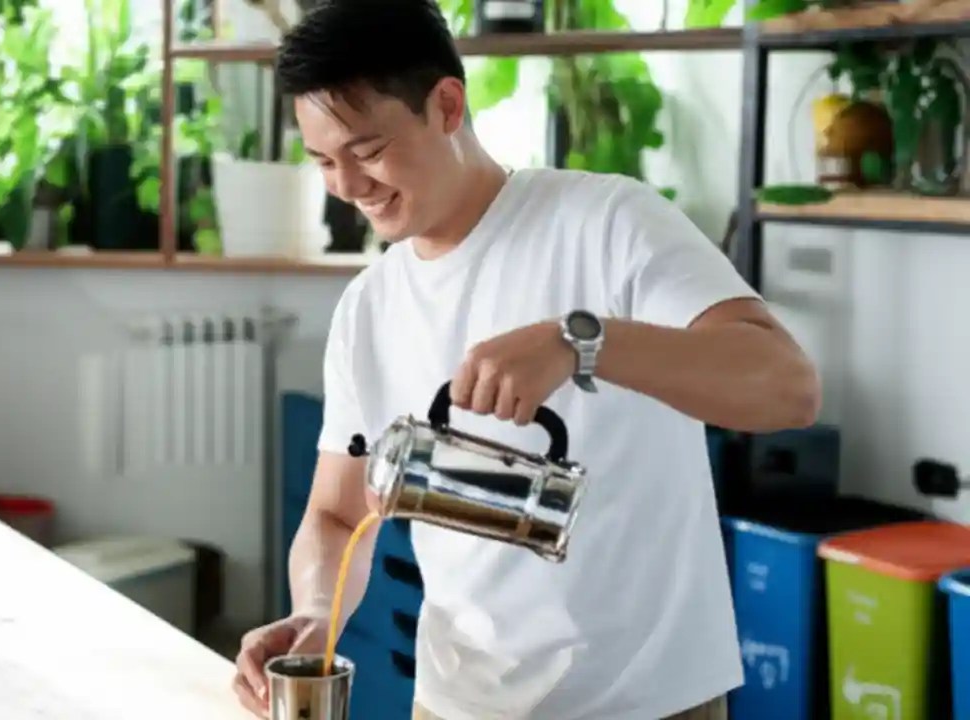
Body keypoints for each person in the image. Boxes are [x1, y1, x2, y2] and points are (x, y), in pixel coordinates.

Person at [231, 1, 821, 718]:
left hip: (646, 703)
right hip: (458, 703)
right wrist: (319, 613)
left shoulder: (607, 224)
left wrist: (583, 343)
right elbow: (336, 512)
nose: (348, 187)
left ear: (446, 105)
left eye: (368, 151)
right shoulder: (369, 307)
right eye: (324, 162)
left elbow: (787, 387)